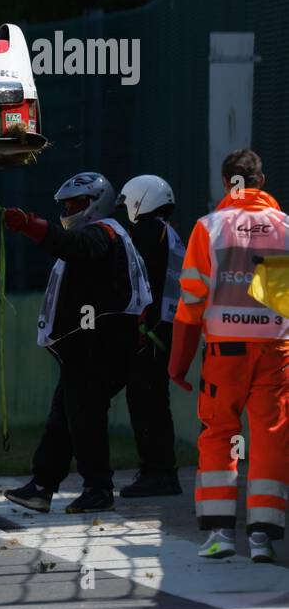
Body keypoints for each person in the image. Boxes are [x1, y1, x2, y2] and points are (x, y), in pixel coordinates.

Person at [2, 172, 152, 514]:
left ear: (96, 203)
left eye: (77, 203)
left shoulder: (103, 233)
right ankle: (41, 486)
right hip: (90, 348)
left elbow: (76, 248)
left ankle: (98, 488)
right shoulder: (108, 234)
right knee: (65, 416)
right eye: (66, 203)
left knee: (84, 417)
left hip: (100, 346)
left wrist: (31, 225)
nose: (69, 208)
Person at [169, 149, 289, 562]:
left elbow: (190, 302)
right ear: (261, 180)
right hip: (276, 351)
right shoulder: (285, 228)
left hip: (225, 353)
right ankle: (262, 538)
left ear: (227, 183)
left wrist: (179, 363)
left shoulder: (209, 228)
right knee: (271, 437)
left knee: (220, 434)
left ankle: (221, 533)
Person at [116, 174, 184, 497]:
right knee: (158, 400)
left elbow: (129, 273)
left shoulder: (145, 231)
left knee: (143, 400)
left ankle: (155, 473)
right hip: (166, 329)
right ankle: (164, 472)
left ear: (139, 200)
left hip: (148, 331)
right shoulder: (171, 234)